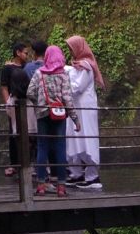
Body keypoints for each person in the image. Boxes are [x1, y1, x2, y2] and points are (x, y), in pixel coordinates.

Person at [27, 44, 77, 196]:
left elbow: (30, 92)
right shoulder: (63, 74)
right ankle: (61, 187)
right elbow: (68, 98)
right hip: (59, 114)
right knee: (60, 148)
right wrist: (75, 119)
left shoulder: (38, 73)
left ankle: (41, 185)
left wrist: (39, 104)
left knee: (42, 147)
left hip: (43, 114)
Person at [64, 35, 104, 190]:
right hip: (74, 108)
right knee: (73, 138)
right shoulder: (76, 66)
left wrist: (64, 76)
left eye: (72, 48)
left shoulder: (87, 66)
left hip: (85, 108)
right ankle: (76, 173)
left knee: (87, 138)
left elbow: (77, 88)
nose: (70, 52)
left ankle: (92, 176)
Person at [0, 41, 31, 177]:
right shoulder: (7, 68)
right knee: (13, 133)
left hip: (27, 103)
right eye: (25, 53)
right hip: (13, 103)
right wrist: (8, 102)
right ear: (18, 53)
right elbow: (4, 86)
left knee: (29, 133)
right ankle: (14, 163)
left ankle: (27, 163)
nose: (27, 55)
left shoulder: (27, 67)